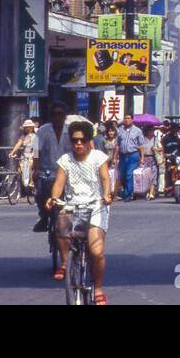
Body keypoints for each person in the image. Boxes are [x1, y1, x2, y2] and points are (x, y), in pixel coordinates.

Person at [45, 120, 111, 302]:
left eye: (82, 140)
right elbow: (59, 183)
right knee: (61, 222)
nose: (78, 144)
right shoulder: (65, 160)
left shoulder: (99, 157)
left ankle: (98, 289)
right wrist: (53, 198)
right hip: (73, 204)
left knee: (96, 252)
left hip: (96, 205)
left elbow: (105, 178)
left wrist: (106, 195)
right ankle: (66, 261)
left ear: (89, 141)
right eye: (75, 140)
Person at [33, 104, 69, 231]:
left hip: (66, 173)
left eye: (60, 114)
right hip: (46, 172)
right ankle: (43, 217)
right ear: (51, 116)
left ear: (65, 116)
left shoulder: (70, 130)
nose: (57, 117)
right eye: (54, 114)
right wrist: (36, 170)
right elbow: (36, 152)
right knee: (40, 195)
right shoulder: (43, 130)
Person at [113, 113, 148, 202]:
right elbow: (117, 145)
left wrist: (142, 157)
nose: (126, 120)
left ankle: (127, 196)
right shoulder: (120, 130)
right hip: (122, 155)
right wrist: (114, 157)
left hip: (133, 155)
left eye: (128, 118)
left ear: (132, 120)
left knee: (129, 174)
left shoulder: (137, 131)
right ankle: (128, 191)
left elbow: (141, 145)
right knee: (122, 175)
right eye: (125, 118)